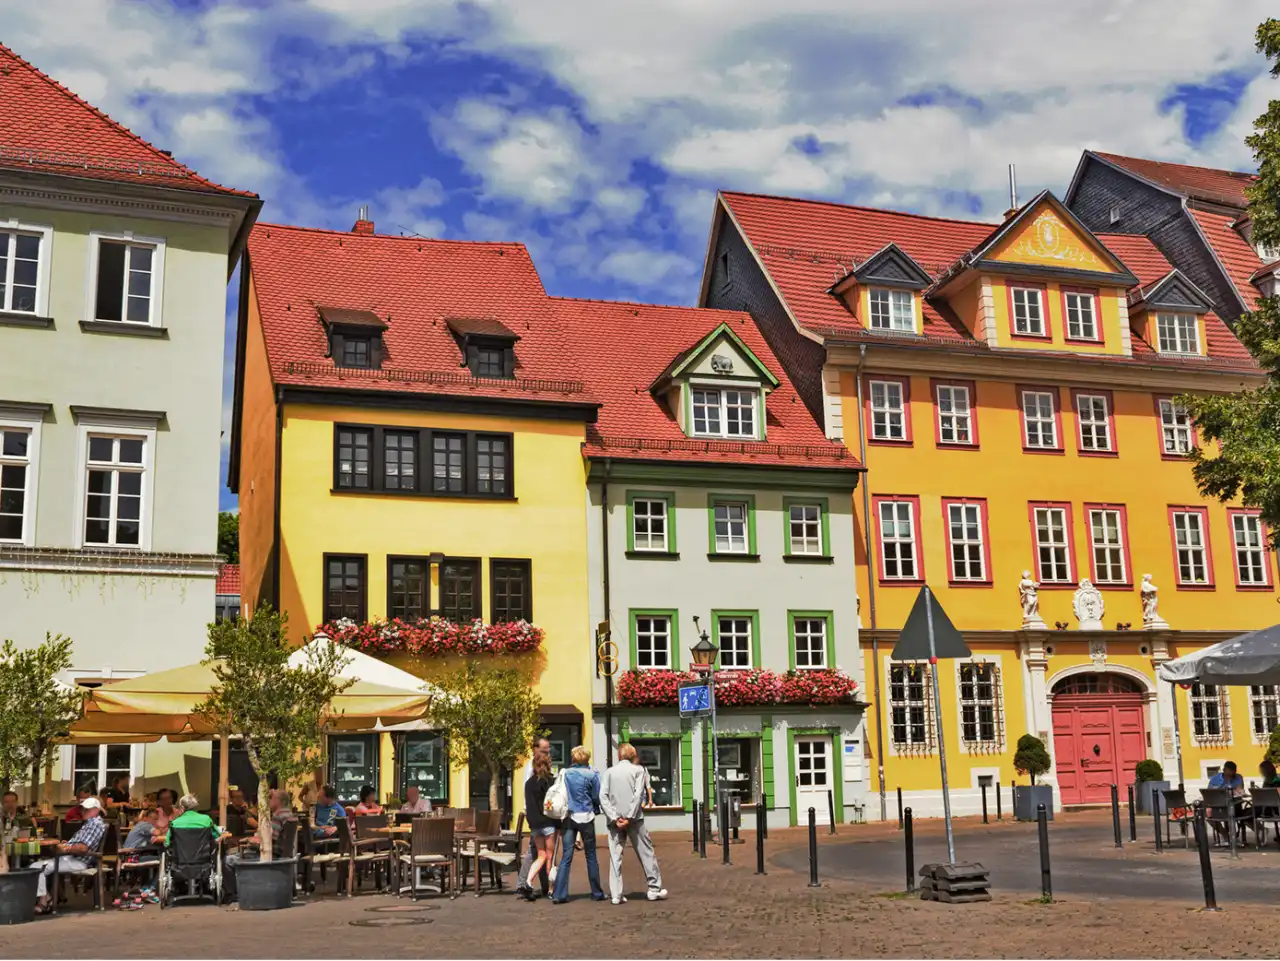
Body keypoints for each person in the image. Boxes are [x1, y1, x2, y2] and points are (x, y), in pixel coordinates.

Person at [600, 743, 666, 905]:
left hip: (615, 821)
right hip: (635, 819)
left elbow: (603, 797)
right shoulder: (638, 770)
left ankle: (616, 894)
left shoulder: (609, 772)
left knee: (615, 856)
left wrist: (615, 817)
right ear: (632, 755)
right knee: (646, 852)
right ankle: (654, 888)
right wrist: (629, 816)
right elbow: (638, 795)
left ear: (619, 756)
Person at [30, 797, 107, 914]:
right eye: (82, 809)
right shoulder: (90, 823)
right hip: (72, 858)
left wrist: (67, 848)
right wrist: (68, 844)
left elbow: (83, 848)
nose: (83, 812)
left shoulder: (94, 824)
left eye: (87, 809)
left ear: (96, 810)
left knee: (36, 868)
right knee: (37, 865)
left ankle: (44, 902)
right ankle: (47, 899)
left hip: (78, 861)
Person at [551, 746, 606, 904]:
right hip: (587, 817)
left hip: (569, 816)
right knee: (591, 856)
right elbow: (597, 796)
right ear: (587, 759)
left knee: (566, 857)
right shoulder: (593, 774)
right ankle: (596, 892)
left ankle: (559, 894)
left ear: (573, 758)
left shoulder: (565, 773)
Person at [515, 736, 552, 896]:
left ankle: (543, 885)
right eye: (544, 750)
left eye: (548, 750)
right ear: (536, 749)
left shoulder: (533, 770)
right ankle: (524, 883)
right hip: (540, 817)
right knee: (538, 853)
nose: (547, 752)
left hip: (533, 817)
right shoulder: (533, 769)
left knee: (540, 853)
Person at [520, 751, 556, 901]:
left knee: (540, 855)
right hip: (548, 822)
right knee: (550, 857)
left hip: (534, 824)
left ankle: (528, 881)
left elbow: (529, 805)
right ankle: (551, 889)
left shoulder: (528, 783)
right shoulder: (550, 781)